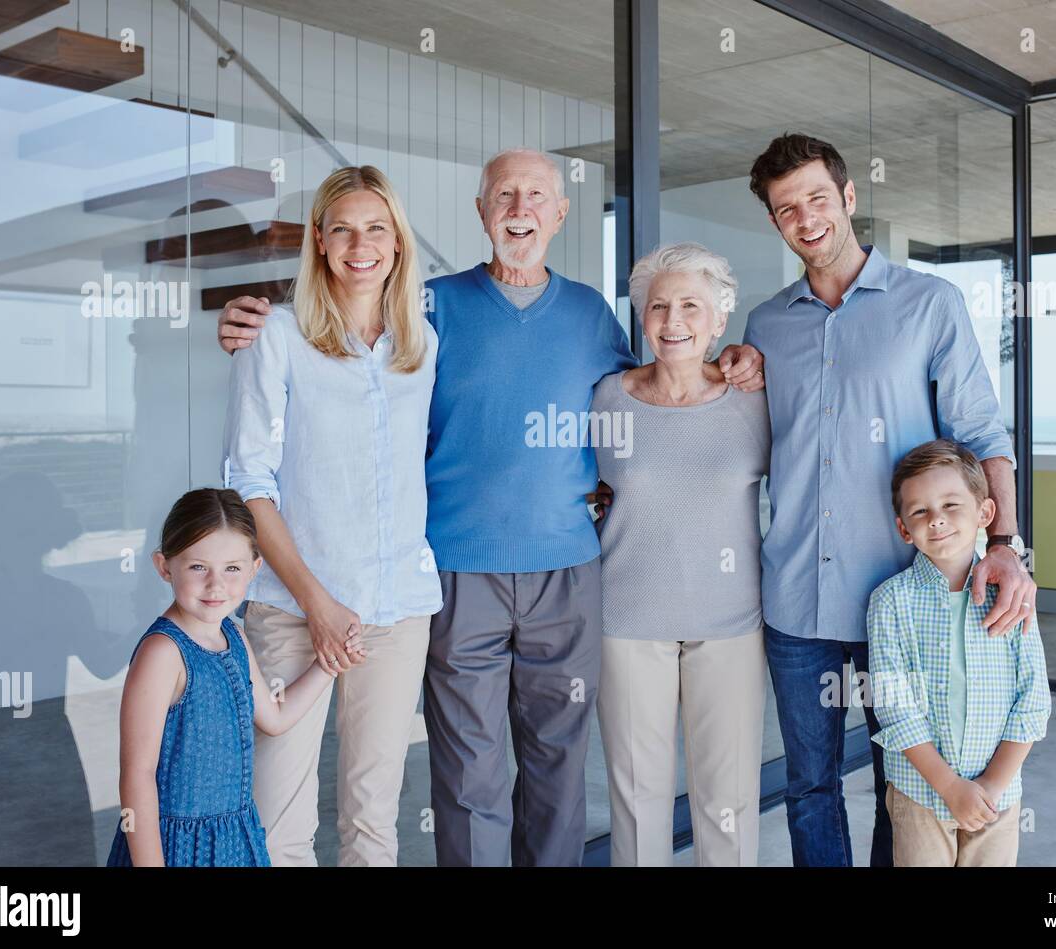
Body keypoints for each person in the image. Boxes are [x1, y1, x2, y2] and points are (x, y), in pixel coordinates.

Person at [218, 147, 765, 867]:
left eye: (536, 196)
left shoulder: (590, 314)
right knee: (469, 776)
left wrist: (733, 360)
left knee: (558, 774)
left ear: (561, 214)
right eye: (503, 195)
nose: (519, 210)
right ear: (481, 213)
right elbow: (339, 321)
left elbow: (643, 387)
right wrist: (247, 317)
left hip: (566, 573)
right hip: (454, 574)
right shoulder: (428, 306)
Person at [743, 132, 1035, 867]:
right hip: (796, 601)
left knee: (901, 781)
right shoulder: (764, 326)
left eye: (816, 198)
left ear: (847, 196)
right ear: (775, 223)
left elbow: (981, 436)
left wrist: (1005, 548)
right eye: (786, 209)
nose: (806, 218)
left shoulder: (929, 304)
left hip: (906, 601)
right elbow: (743, 443)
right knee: (808, 787)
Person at [222, 165, 442, 866]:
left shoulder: (422, 346)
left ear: (399, 243)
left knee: (375, 819)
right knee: (279, 821)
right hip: (293, 611)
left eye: (376, 227)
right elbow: (249, 484)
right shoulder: (276, 336)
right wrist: (318, 606)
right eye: (341, 228)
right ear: (318, 241)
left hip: (397, 610)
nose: (360, 243)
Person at [590, 242, 770, 866]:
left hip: (730, 625)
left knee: (730, 801)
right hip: (629, 620)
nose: (673, 321)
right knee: (637, 802)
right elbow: (575, 488)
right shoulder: (607, 397)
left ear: (721, 320)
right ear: (641, 317)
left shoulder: (755, 397)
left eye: (692, 306)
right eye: (658, 306)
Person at [108, 488, 343, 867]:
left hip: (236, 840)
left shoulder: (233, 635)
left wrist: (326, 665)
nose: (216, 585)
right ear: (164, 566)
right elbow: (137, 776)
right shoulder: (162, 653)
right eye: (198, 567)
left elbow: (275, 717)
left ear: (254, 568)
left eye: (232, 568)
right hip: (175, 850)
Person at [868, 439, 1050, 866]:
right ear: (903, 528)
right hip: (919, 794)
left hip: (999, 799)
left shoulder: (1011, 594)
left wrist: (990, 787)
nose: (936, 521)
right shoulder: (891, 602)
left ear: (985, 513)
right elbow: (895, 709)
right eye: (920, 512)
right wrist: (950, 788)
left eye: (951, 505)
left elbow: (1033, 700)